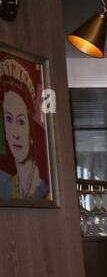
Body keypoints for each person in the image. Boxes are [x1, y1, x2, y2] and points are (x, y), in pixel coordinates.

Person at [1, 57, 51, 201]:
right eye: (9, 119)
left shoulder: (46, 188)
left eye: (21, 121)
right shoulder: (5, 185)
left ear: (31, 130)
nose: (15, 134)